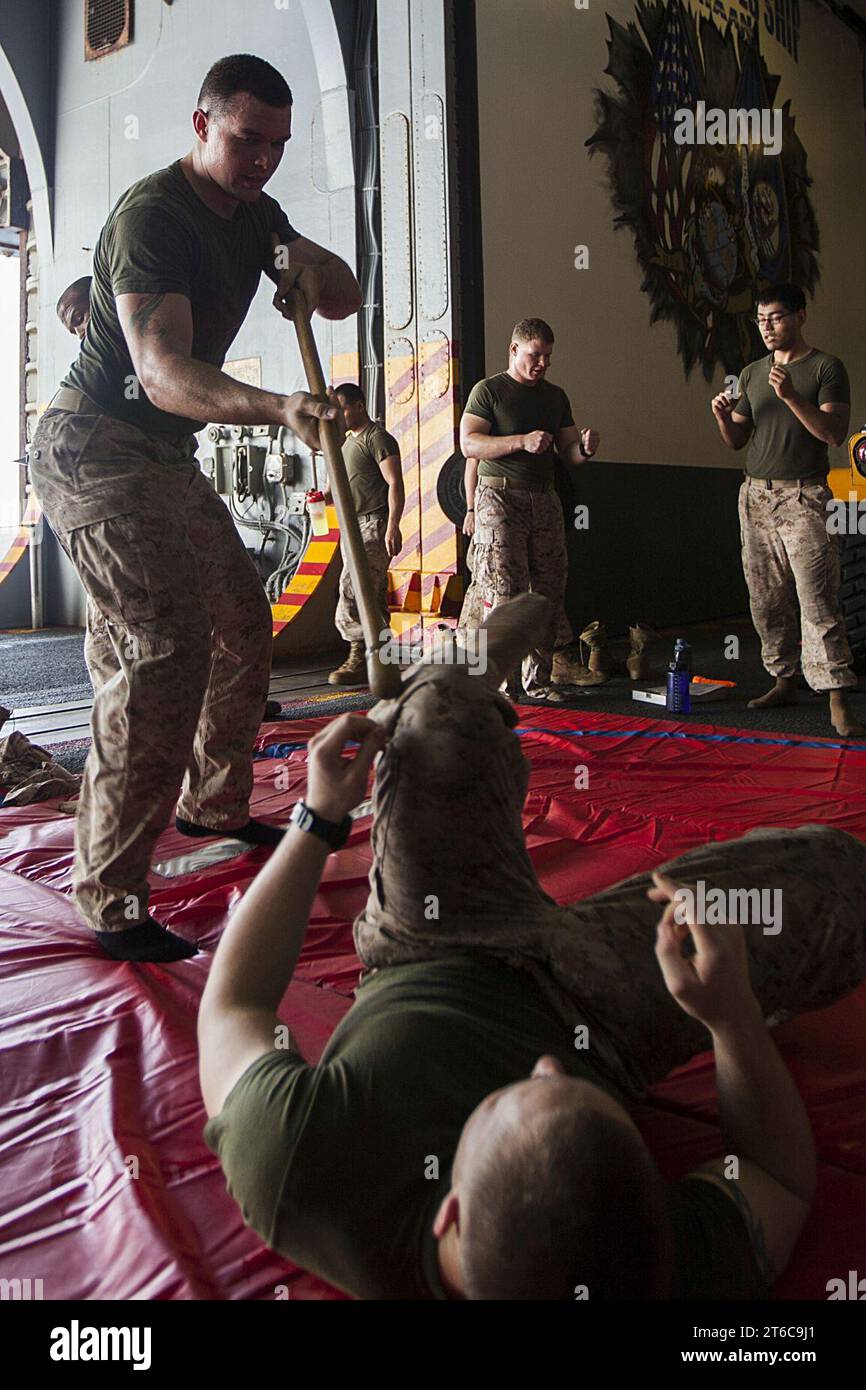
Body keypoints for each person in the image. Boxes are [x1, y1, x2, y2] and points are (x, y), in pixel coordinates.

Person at [200, 593, 866, 1300]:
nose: (547, 1063)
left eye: (526, 1090)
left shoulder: (300, 1172)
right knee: (843, 882)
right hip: (601, 1012)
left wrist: (318, 816)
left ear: (446, 1213)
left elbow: (233, 1000)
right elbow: (776, 1178)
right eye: (570, 1091)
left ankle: (518, 618)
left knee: (433, 722)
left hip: (431, 944)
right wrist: (731, 1020)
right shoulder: (653, 1269)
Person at [28, 54, 361, 962]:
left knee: (240, 619)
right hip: (92, 445)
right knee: (162, 647)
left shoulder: (257, 216)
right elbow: (161, 375)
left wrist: (307, 268)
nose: (263, 161)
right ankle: (108, 891)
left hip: (162, 457)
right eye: (248, 139)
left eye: (279, 146)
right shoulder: (154, 217)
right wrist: (281, 407)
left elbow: (344, 294)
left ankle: (212, 801)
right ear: (201, 123)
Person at [711, 283, 864, 738]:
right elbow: (737, 439)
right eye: (761, 320)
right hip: (755, 497)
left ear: (799, 315)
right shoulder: (752, 372)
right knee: (765, 599)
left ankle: (836, 695)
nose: (767, 327)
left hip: (804, 498)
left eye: (776, 317)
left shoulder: (825, 368)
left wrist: (794, 397)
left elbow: (834, 434)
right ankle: (783, 679)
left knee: (817, 599)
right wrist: (721, 415)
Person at [459, 318, 600, 704]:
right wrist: (521, 440)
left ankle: (538, 680)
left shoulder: (556, 397)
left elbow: (569, 452)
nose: (543, 363)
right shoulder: (489, 391)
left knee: (547, 593)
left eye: (548, 356)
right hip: (499, 498)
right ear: (514, 350)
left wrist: (585, 448)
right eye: (536, 354)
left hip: (545, 498)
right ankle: (504, 686)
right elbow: (469, 444)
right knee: (505, 593)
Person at [327, 383, 404, 685]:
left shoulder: (378, 438)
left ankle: (360, 652)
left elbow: (395, 482)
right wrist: (322, 497)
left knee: (352, 588)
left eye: (344, 408)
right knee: (370, 593)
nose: (340, 415)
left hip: (373, 524)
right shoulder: (345, 444)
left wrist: (394, 524)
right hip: (351, 526)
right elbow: (342, 488)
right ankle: (382, 658)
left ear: (359, 406)